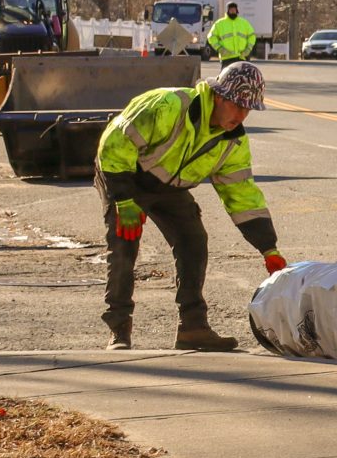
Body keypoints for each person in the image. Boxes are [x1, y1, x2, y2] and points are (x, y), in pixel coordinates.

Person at [92, 60, 288, 351]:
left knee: (193, 240)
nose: (242, 115)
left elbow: (241, 194)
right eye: (237, 105)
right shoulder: (169, 106)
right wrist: (123, 198)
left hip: (169, 187)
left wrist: (267, 247)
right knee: (124, 243)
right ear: (219, 96)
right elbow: (114, 144)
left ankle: (193, 328)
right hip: (126, 174)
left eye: (249, 109)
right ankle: (119, 330)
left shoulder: (232, 141)